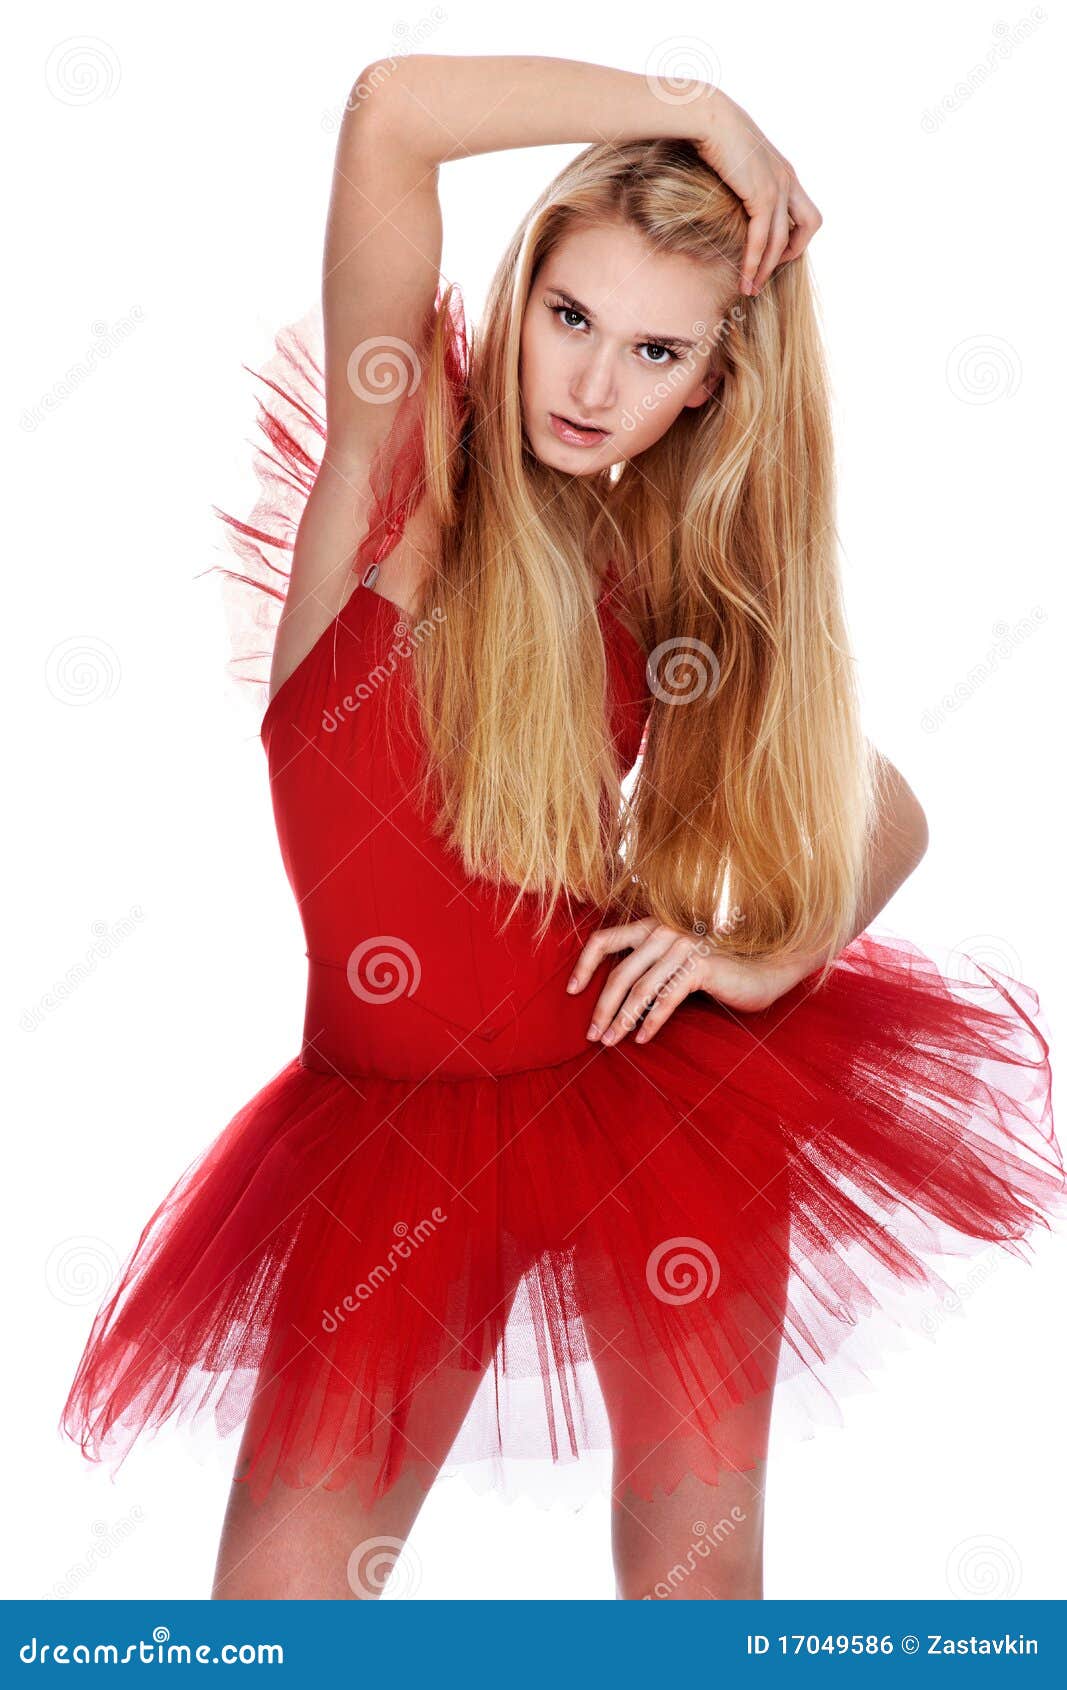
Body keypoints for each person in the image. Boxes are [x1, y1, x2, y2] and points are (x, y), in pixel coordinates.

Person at [60, 53, 1065, 1602]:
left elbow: (888, 812)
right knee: (274, 1620)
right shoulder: (397, 490)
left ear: (709, 384)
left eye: (656, 349)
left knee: (689, 1603)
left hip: (642, 1103)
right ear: (519, 293)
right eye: (569, 316)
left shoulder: (658, 571)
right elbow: (390, 109)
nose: (592, 386)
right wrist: (704, 109)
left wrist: (757, 954)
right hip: (385, 1133)